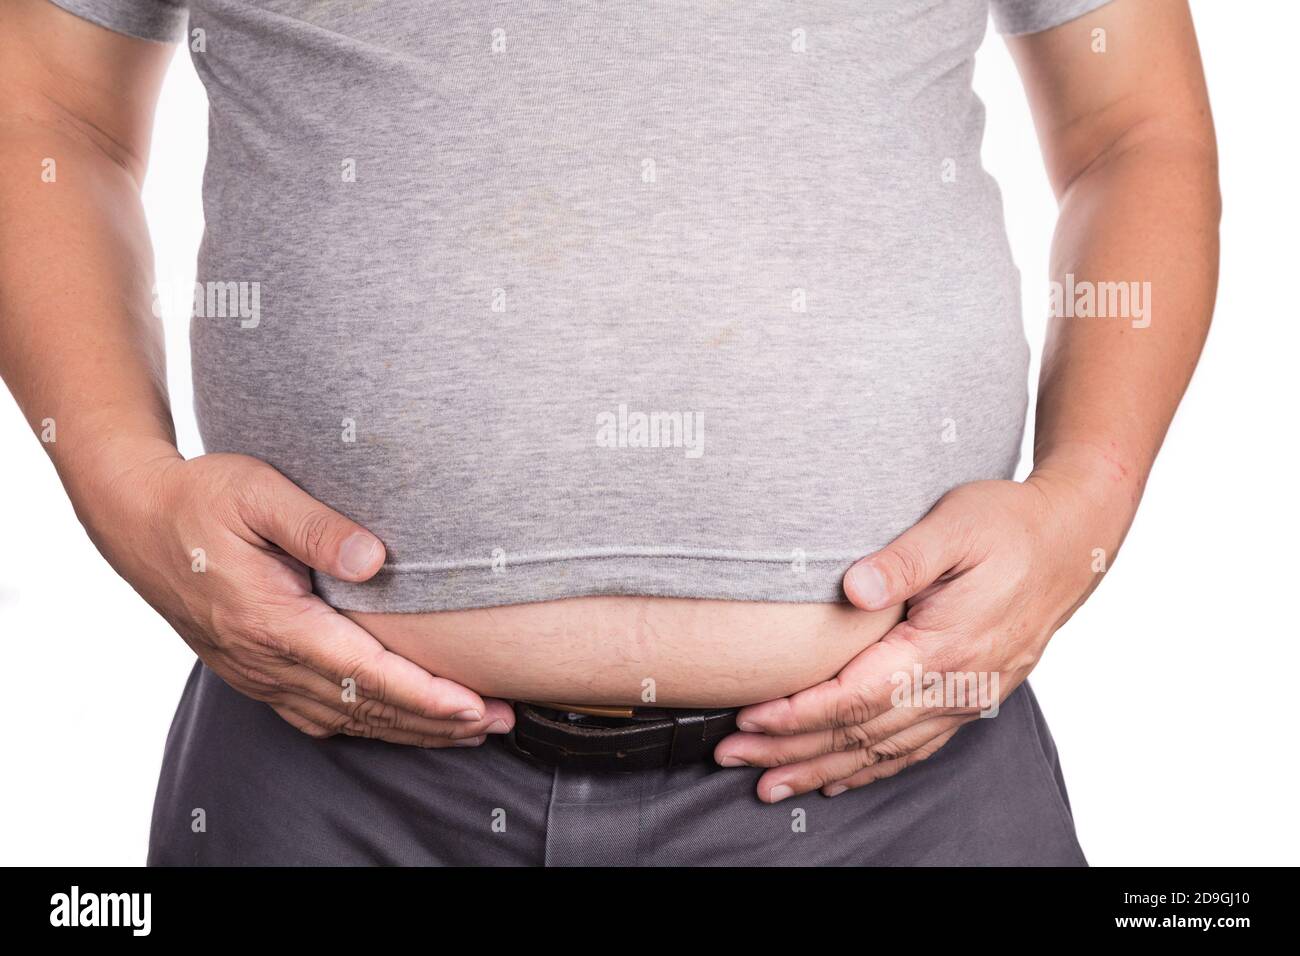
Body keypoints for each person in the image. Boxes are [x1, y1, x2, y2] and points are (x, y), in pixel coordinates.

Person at [0, 0, 1219, 865]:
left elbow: (1133, 129)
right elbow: (45, 110)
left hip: (900, 780)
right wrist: (122, 479)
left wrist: (1087, 497)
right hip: (323, 775)